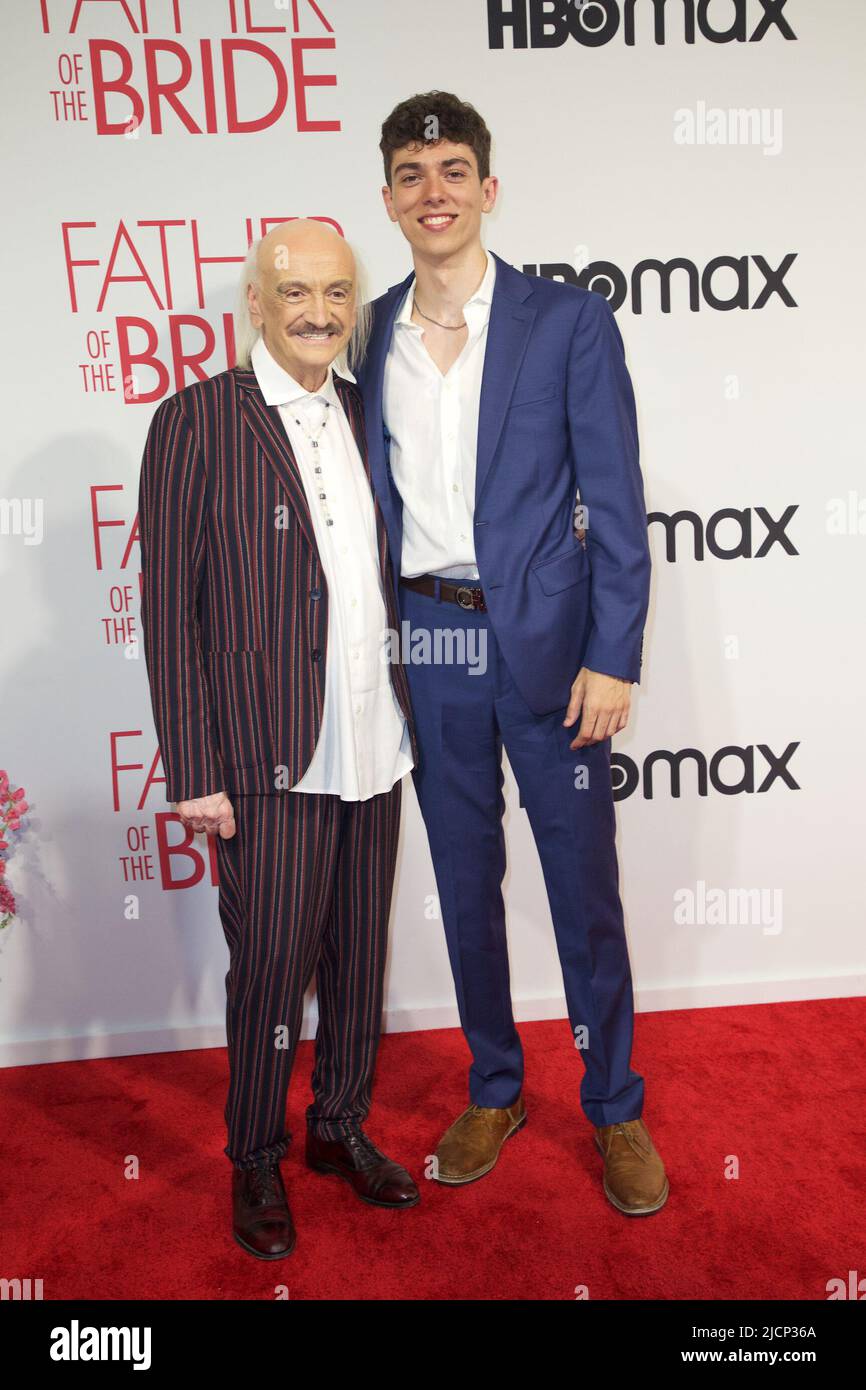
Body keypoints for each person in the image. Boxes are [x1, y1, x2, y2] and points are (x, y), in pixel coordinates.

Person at [355, 92, 668, 1215]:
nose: (431, 190)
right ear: (386, 199)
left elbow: (616, 503)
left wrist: (613, 655)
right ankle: (495, 1084)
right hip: (428, 637)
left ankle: (615, 1103)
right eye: (409, 173)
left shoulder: (566, 323)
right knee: (462, 880)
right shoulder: (369, 331)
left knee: (583, 887)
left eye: (450, 169)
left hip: (546, 645)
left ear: (487, 189)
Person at [138, 219, 420, 1261]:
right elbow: (170, 609)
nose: (317, 313)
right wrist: (198, 769)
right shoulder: (197, 422)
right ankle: (254, 1154)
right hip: (265, 757)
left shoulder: (364, 412)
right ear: (255, 302)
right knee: (268, 966)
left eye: (336, 294)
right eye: (295, 292)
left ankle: (338, 1126)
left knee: (357, 957)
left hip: (375, 742)